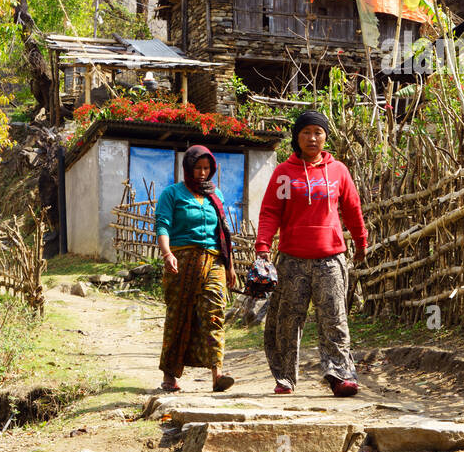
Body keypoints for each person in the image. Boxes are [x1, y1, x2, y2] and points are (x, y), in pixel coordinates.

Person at [256, 109, 367, 397]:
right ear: (297, 137)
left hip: (330, 258)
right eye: (306, 132)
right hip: (292, 259)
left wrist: (361, 242)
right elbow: (270, 212)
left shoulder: (338, 171)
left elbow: (352, 210)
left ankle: (340, 376)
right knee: (288, 320)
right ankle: (285, 378)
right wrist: (263, 247)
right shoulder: (284, 173)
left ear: (326, 136)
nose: (312, 137)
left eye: (317, 132)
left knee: (334, 318)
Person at [154, 145, 237, 392]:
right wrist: (167, 253)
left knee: (215, 312)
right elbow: (162, 225)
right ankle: (170, 375)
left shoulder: (216, 195)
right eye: (197, 168)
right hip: (182, 261)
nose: (202, 173)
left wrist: (230, 266)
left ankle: (217, 373)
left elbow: (223, 232)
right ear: (188, 169)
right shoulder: (172, 193)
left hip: (213, 261)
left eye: (206, 168)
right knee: (178, 315)